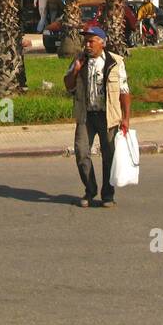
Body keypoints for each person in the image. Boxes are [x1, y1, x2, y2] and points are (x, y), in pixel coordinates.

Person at [64, 27, 130, 208]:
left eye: (91, 41)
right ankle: (90, 189)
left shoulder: (115, 62)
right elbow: (68, 86)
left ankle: (108, 195)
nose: (87, 45)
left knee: (109, 155)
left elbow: (124, 91)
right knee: (81, 151)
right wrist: (75, 70)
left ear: (102, 42)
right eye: (85, 41)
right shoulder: (79, 60)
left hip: (108, 116)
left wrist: (126, 118)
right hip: (86, 115)